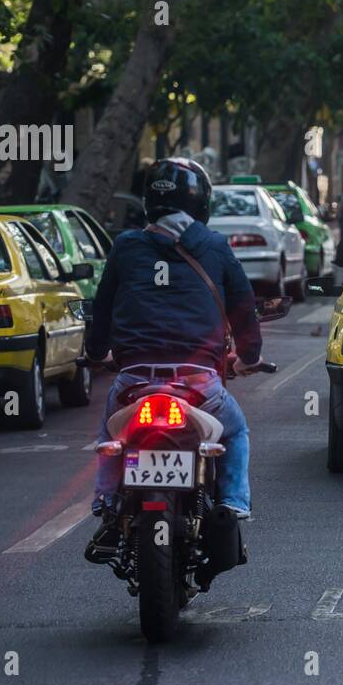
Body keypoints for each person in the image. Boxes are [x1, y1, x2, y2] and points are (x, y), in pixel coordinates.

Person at [85, 157, 263, 552]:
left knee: (110, 437)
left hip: (134, 381)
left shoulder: (127, 246)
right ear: (202, 202)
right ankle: (232, 504)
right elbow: (244, 308)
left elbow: (102, 310)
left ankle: (108, 503)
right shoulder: (215, 246)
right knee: (234, 432)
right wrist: (248, 357)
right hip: (199, 381)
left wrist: (96, 352)